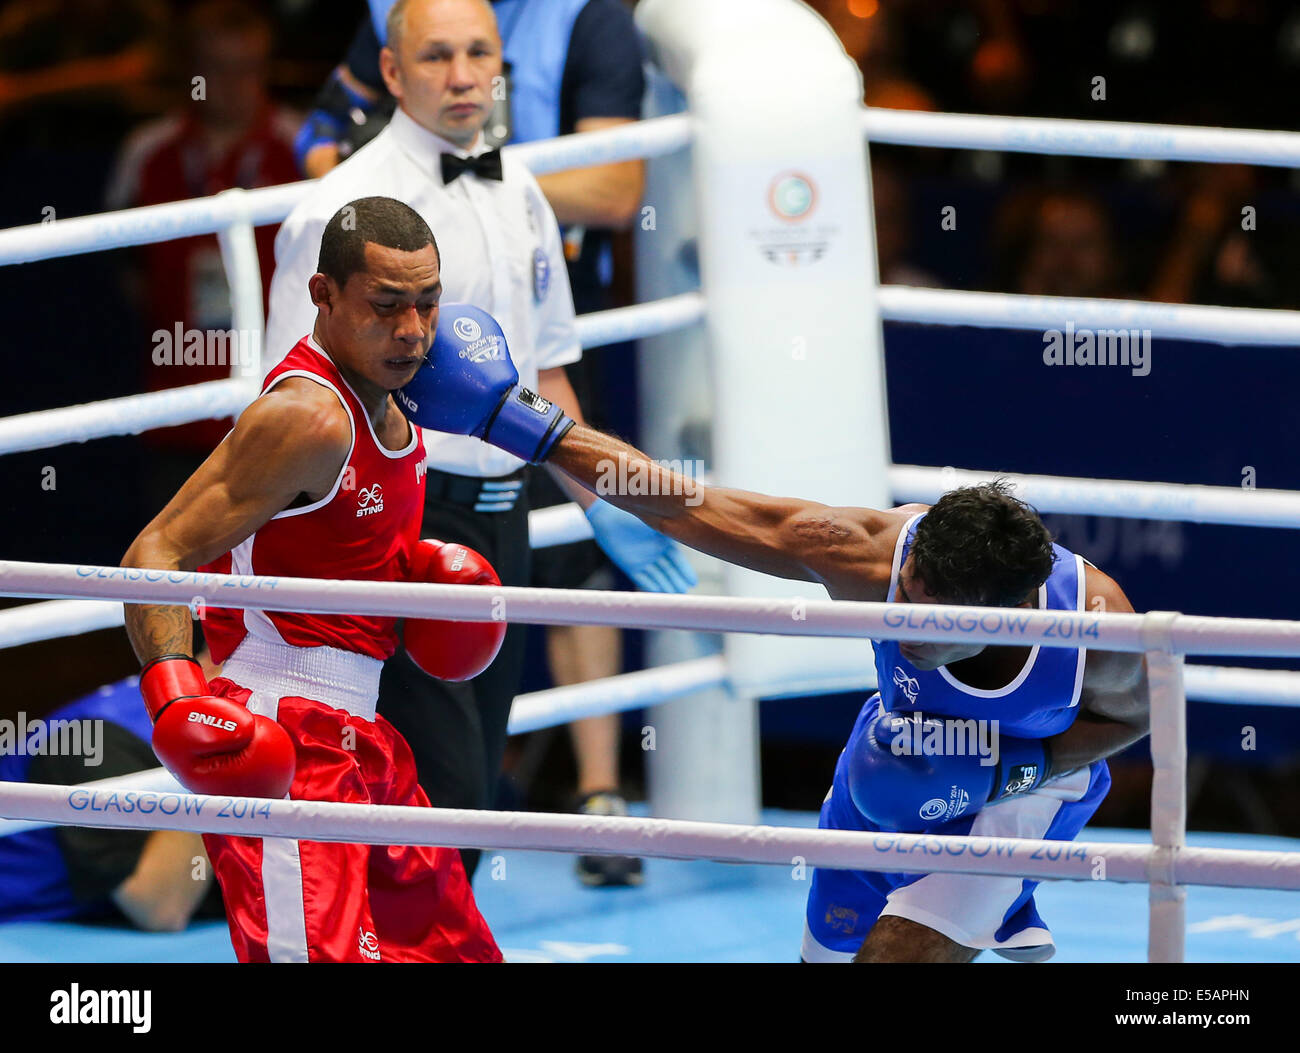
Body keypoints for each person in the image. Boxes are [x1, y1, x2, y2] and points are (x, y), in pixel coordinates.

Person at [398, 302, 1153, 964]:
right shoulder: (864, 554)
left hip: (1031, 787)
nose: (907, 623)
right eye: (908, 598)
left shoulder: (1095, 629)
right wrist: (529, 423)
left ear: (1012, 611)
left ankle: (998, 888)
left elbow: (1135, 719)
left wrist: (1015, 769)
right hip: (895, 752)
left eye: (936, 621)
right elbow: (688, 503)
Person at [264, 0, 693, 882]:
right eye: (436, 56)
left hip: (509, 522)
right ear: (390, 73)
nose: (462, 76)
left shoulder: (520, 187)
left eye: (478, 54)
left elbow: (550, 372)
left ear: (504, 64)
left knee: (467, 808)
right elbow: (289, 404)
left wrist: (603, 499)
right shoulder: (341, 210)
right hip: (406, 525)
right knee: (441, 803)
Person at [120, 197, 502, 963]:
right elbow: (155, 553)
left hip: (366, 735)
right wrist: (174, 696)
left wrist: (416, 574)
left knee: (449, 952)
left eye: (427, 303)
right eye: (386, 305)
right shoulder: (308, 416)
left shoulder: (410, 393)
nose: (413, 330)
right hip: (286, 734)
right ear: (324, 294)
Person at [105, 0, 301, 513]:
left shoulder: (304, 150)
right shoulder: (146, 152)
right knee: (174, 568)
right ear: (191, 71)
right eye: (217, 69)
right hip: (177, 401)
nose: (233, 84)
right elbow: (128, 276)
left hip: (281, 402)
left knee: (279, 571)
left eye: (247, 69)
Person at [0, 665, 223, 931]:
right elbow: (161, 907)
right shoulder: (95, 742)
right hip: (20, 924)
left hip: (87, 915)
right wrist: (215, 758)